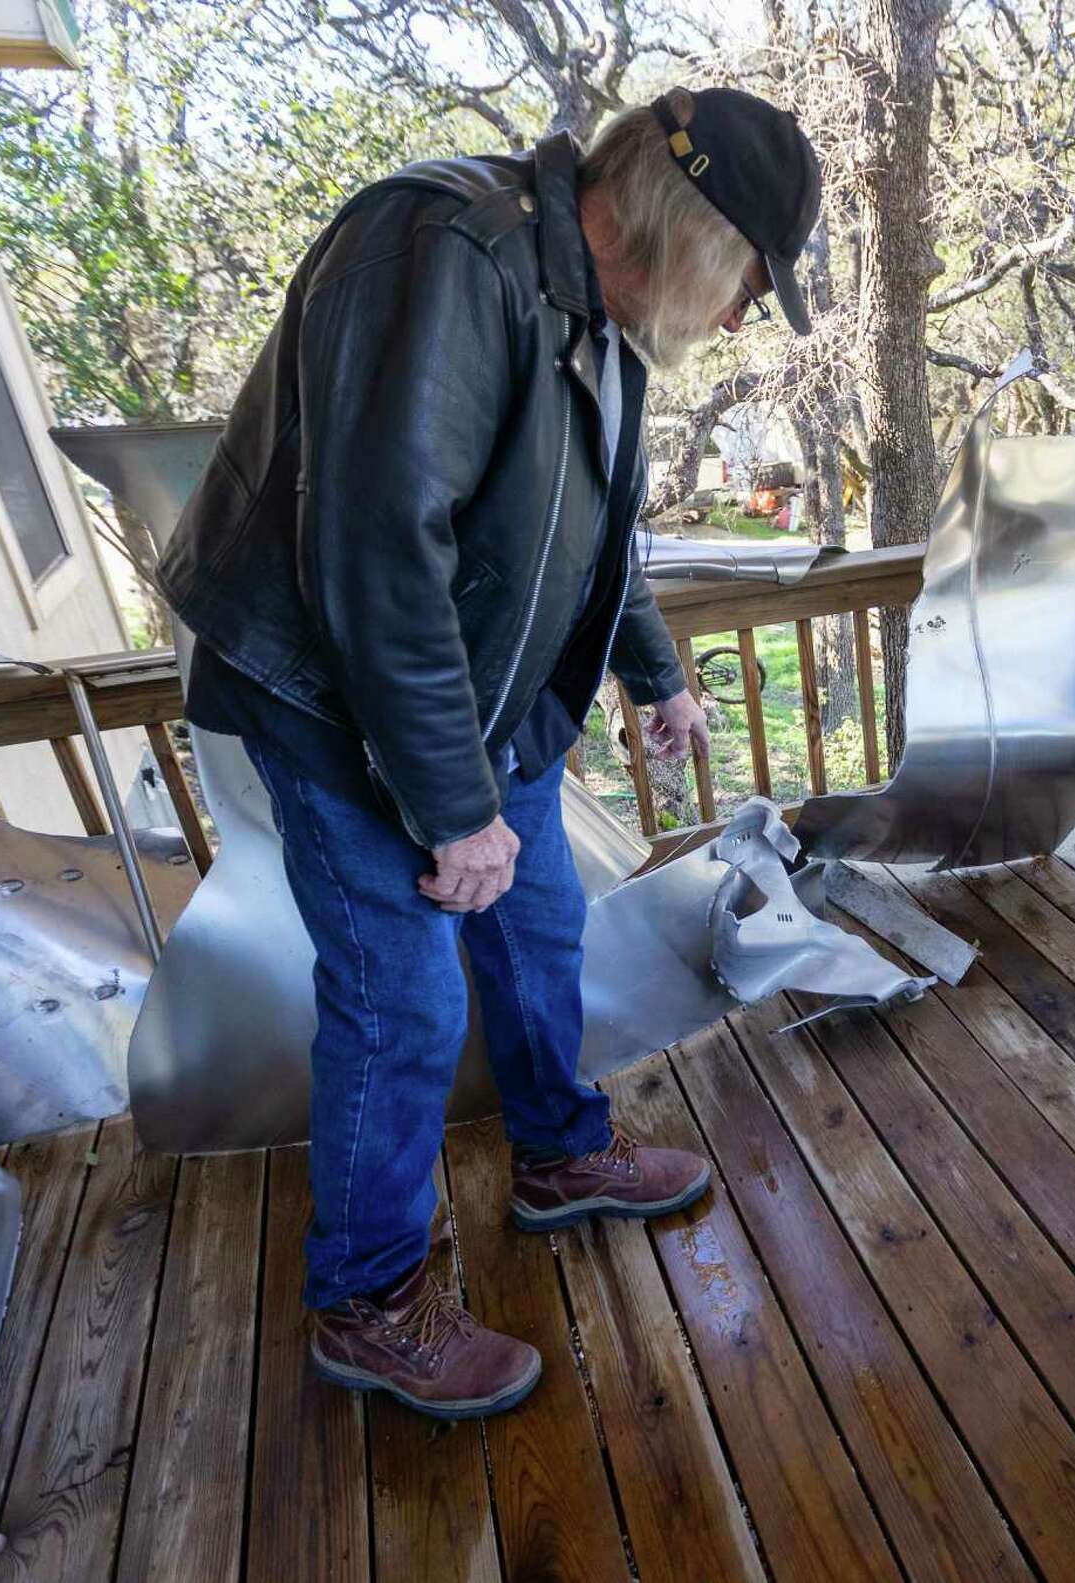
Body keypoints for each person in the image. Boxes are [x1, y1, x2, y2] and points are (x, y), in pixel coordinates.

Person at [159, 88, 823, 1420]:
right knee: (402, 1001)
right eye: (752, 280)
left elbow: (596, 534)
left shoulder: (605, 318)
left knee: (538, 925)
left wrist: (654, 678)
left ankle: (559, 1155)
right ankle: (367, 1300)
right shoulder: (448, 255)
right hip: (339, 694)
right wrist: (455, 808)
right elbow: (374, 553)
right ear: (695, 233)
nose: (746, 316)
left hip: (477, 688)